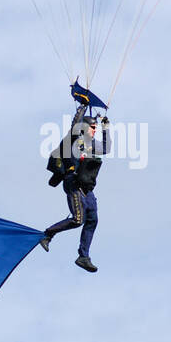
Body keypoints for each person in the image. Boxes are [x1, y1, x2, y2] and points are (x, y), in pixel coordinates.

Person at [40, 107, 109, 272]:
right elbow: (74, 128)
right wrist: (82, 107)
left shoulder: (90, 145)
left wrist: (105, 129)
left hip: (87, 188)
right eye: (93, 128)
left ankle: (83, 256)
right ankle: (48, 234)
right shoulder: (72, 141)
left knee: (92, 219)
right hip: (73, 183)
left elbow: (106, 148)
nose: (95, 131)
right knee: (78, 219)